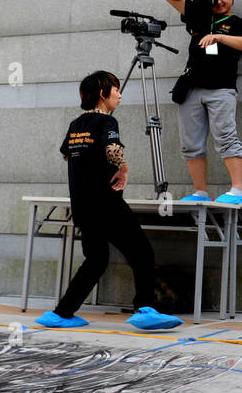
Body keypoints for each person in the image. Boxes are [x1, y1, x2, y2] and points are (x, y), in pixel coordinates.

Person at [35, 70, 159, 327]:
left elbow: (67, 156)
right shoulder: (107, 123)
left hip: (82, 205)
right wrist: (123, 171)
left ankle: (61, 313)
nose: (120, 95)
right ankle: (146, 310)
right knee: (142, 253)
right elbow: (113, 150)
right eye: (116, 90)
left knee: (96, 259)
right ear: (103, 94)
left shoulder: (75, 125)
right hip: (107, 203)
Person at [163, 0, 242, 204]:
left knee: (226, 137)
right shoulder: (199, 15)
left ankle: (238, 191)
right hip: (191, 89)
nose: (219, 2)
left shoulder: (239, 23)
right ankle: (200, 192)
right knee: (190, 143)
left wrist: (220, 37)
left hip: (221, 89)